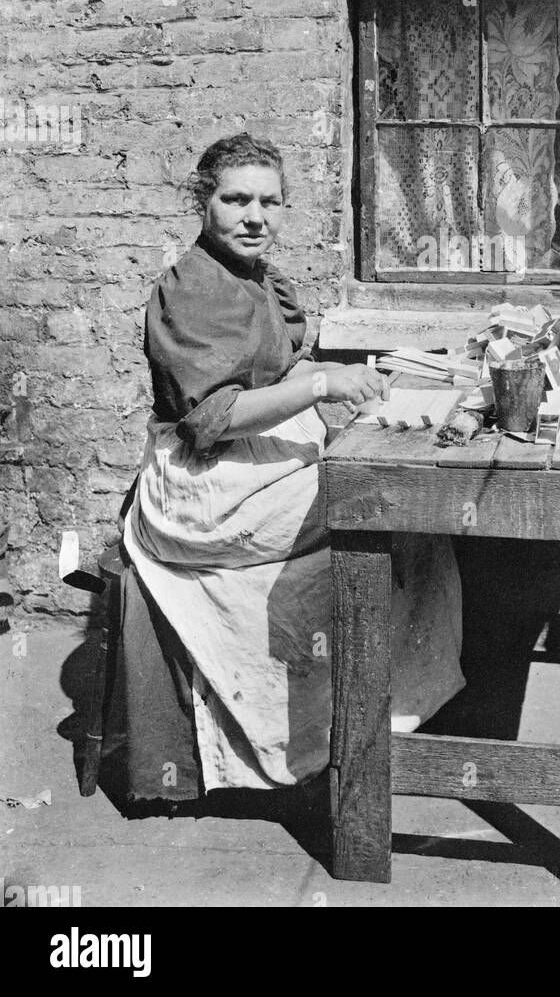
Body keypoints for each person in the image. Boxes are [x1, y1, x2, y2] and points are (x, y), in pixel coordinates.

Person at [118, 132, 464, 801]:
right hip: (206, 485)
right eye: (236, 200)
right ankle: (343, 734)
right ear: (203, 202)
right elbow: (212, 420)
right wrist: (322, 386)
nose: (255, 217)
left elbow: (282, 367)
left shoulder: (256, 277)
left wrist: (346, 375)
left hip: (253, 462)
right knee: (391, 502)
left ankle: (380, 716)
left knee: (410, 500)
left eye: (270, 203)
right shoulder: (192, 288)